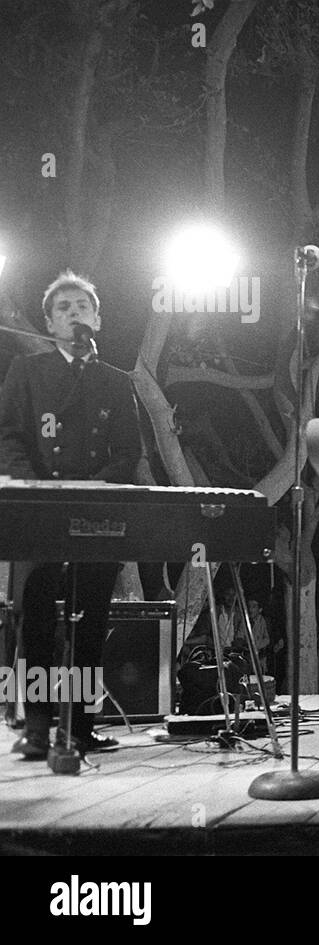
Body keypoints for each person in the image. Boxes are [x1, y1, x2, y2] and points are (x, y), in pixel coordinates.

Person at [0, 271, 141, 757]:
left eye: (82, 305)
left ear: (97, 318)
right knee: (35, 614)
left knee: (90, 618)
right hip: (40, 512)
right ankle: (37, 725)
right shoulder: (27, 371)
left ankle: (79, 727)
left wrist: (102, 486)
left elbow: (129, 451)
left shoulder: (116, 380)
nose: (74, 312)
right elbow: (9, 435)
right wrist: (30, 486)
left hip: (97, 513)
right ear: (49, 322)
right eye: (63, 307)